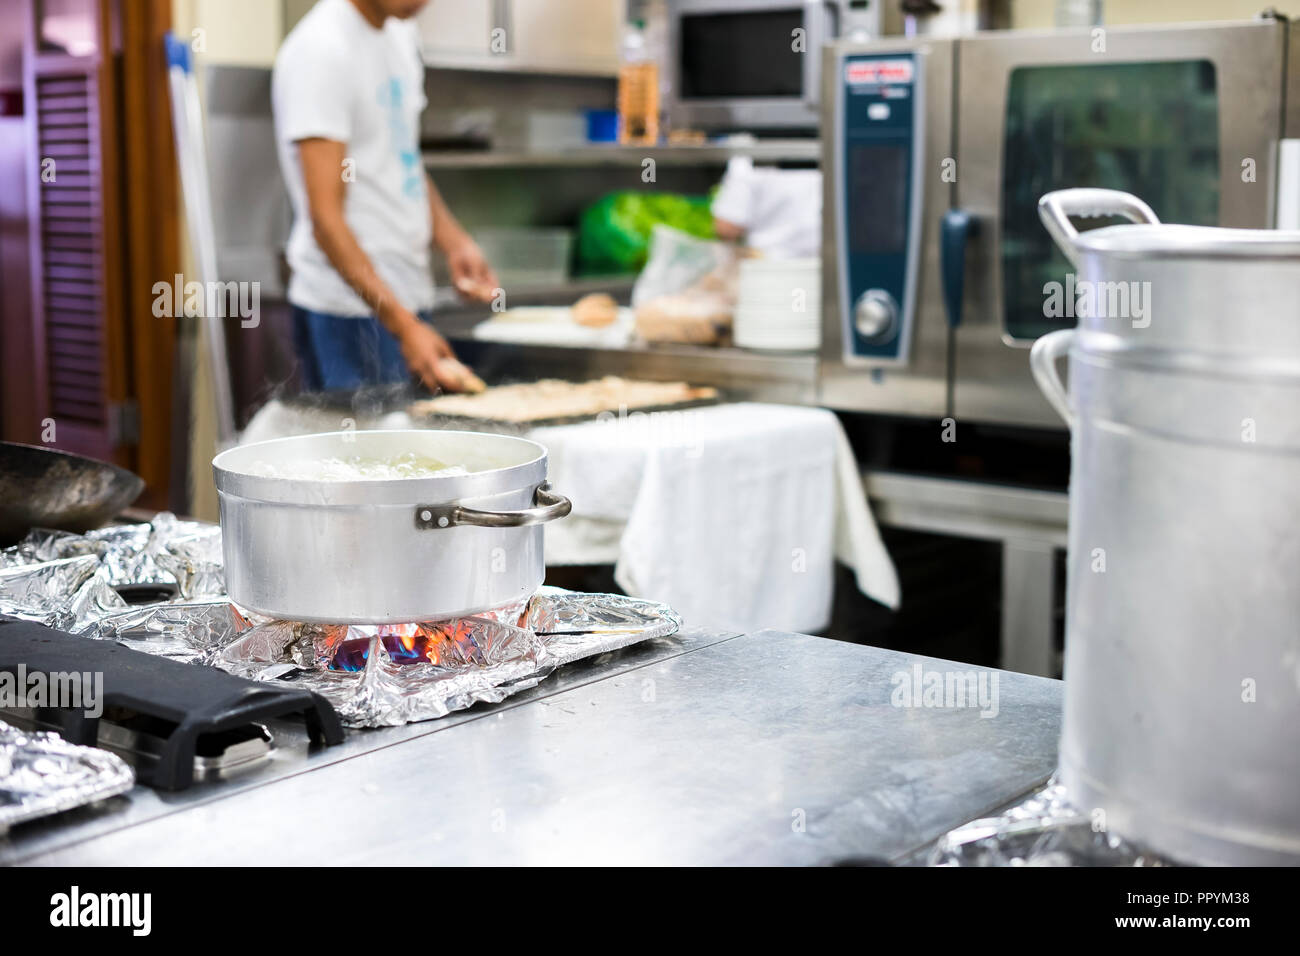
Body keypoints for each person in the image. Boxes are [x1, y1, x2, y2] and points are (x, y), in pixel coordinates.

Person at [271, 0, 495, 393]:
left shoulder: (400, 34)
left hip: (404, 299)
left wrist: (452, 239)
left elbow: (401, 158)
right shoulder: (321, 50)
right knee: (366, 453)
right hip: (349, 314)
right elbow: (325, 221)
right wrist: (404, 326)